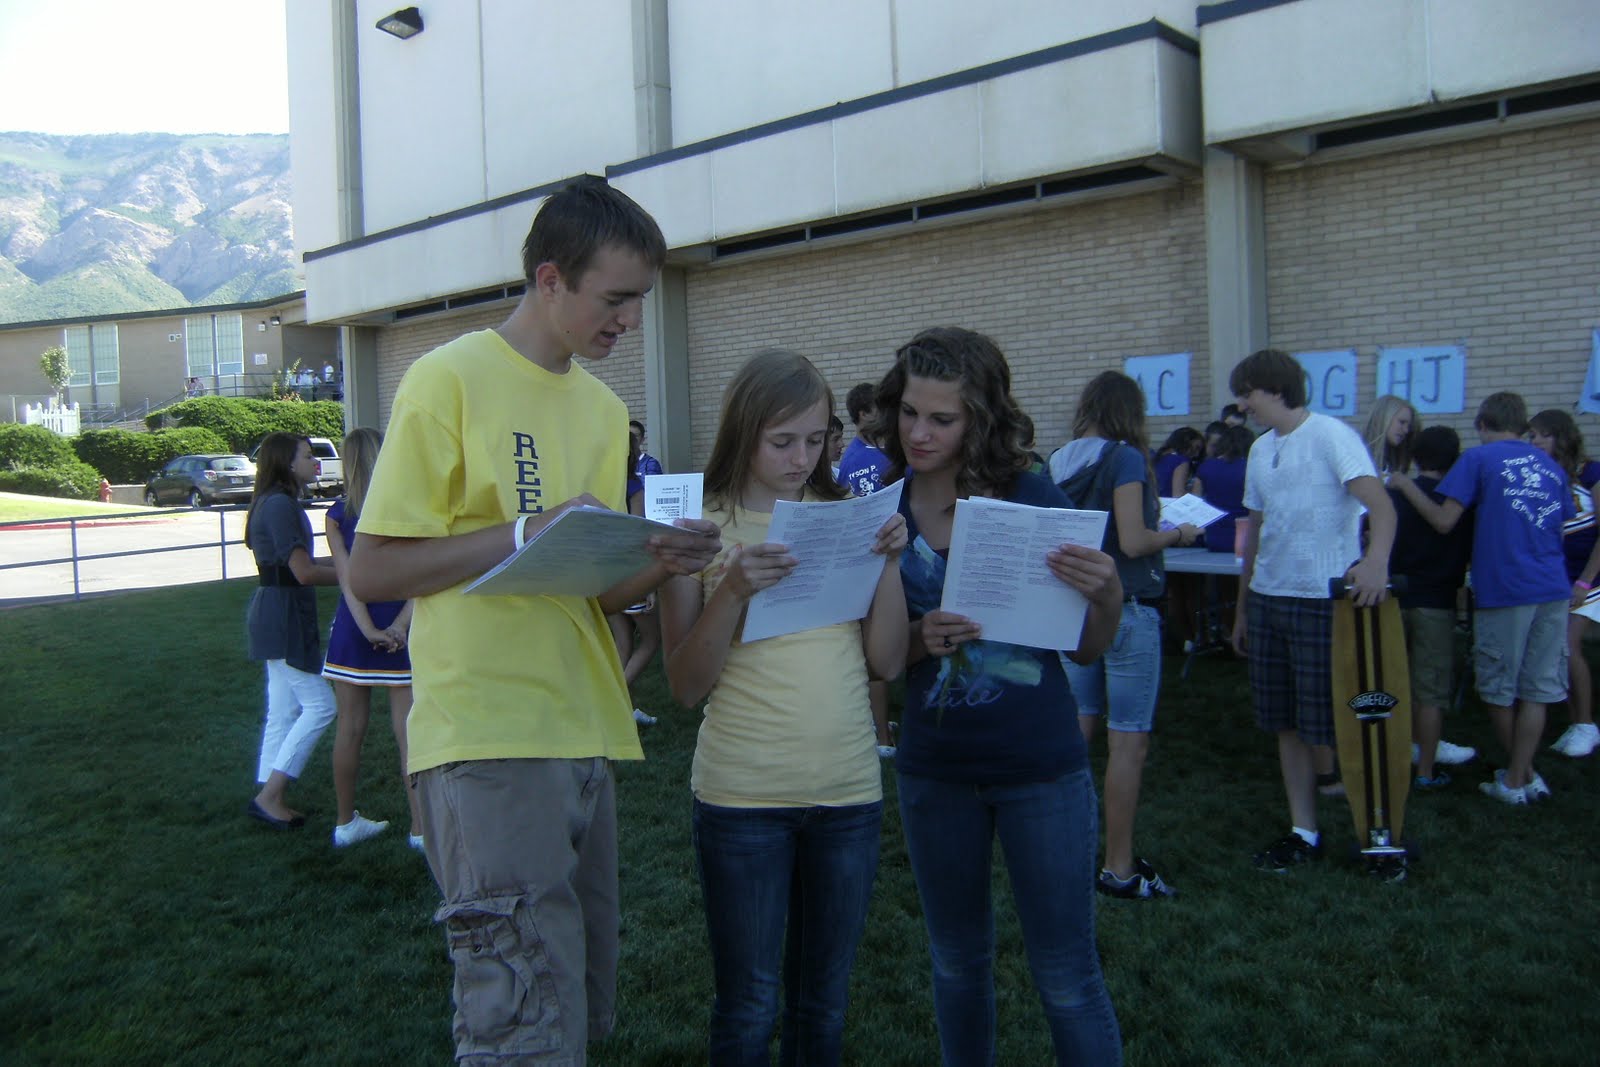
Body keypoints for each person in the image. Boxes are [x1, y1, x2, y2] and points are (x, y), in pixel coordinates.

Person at [347, 177, 722, 1063]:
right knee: (518, 1020)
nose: (629, 320)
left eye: (639, 299)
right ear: (551, 279)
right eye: (616, 297)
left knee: (579, 1008)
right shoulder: (447, 379)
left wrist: (655, 561)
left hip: (583, 733)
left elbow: (581, 590)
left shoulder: (599, 410)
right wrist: (522, 526)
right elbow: (373, 566)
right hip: (485, 737)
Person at [876, 326, 1123, 1063]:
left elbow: (1086, 644)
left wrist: (1106, 591)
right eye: (909, 412)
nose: (919, 433)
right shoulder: (886, 506)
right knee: (956, 962)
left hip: (1039, 768)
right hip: (935, 769)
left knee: (1067, 975)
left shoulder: (1028, 491)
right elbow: (882, 660)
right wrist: (925, 637)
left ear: (979, 417)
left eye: (941, 419)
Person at [659, 349, 907, 1066]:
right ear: (743, 431)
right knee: (748, 1004)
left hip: (849, 789)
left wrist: (888, 560)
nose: (803, 457)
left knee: (822, 1004)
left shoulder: (845, 514)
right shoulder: (700, 524)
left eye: (817, 436)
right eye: (782, 440)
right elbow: (683, 685)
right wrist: (732, 590)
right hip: (744, 794)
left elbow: (887, 661)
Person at [1227, 349, 1396, 874]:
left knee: (1346, 722)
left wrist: (1374, 563)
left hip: (1323, 600)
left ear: (1273, 388)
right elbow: (1255, 533)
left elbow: (1382, 507)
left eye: (1247, 392)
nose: (1242, 404)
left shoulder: (1331, 435)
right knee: (1286, 724)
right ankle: (1304, 831)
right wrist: (1242, 610)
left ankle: (1376, 834)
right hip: (1270, 599)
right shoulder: (1258, 450)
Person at [1049, 371, 1199, 900]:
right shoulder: (1127, 458)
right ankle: (1118, 867)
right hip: (1127, 606)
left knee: (1073, 737)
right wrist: (1180, 533)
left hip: (1073, 611)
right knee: (1128, 741)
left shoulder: (1060, 458)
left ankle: (1058, 850)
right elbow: (1134, 541)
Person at [1390, 393, 1571, 804]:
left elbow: (1443, 520)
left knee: (1498, 688)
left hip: (1507, 588)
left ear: (1483, 425)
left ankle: (1517, 779)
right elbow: (1557, 528)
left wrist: (1402, 484)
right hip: (1553, 586)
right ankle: (1522, 775)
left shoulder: (1479, 458)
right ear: (1523, 426)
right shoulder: (1550, 466)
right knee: (1537, 690)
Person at [321, 427, 420, 849]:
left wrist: (368, 631)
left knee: (350, 728)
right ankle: (420, 830)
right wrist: (397, 626)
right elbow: (424, 575)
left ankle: (345, 823)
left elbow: (348, 582)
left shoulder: (336, 515)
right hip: (402, 628)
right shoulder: (409, 509)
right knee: (410, 732)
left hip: (353, 630)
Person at [245, 432, 339, 829]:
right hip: (282, 617)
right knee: (322, 705)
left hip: (271, 612)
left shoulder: (270, 502)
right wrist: (356, 578)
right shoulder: (281, 506)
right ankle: (271, 795)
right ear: (286, 463)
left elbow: (299, 563)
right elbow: (303, 572)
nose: (314, 462)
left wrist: (346, 566)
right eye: (306, 455)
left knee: (282, 709)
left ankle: (267, 790)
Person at [1386, 426, 1474, 789]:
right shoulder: (1461, 500)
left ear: (1416, 455)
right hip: (1437, 603)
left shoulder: (1393, 494)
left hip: (1393, 598)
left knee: (1392, 683)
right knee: (1431, 691)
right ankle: (1425, 771)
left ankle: (1390, 757)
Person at [1529, 408, 1600, 757]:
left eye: (1544, 434)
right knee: (1559, 647)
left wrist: (1585, 583)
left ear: (1563, 435)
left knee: (1569, 643)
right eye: (1533, 436)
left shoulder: (1591, 472)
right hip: (1560, 575)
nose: (1537, 441)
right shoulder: (1541, 475)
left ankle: (1586, 724)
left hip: (1592, 574)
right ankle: (1575, 721)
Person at [838, 379, 897, 755]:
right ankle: (881, 736)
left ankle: (879, 719)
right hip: (870, 565)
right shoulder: (856, 461)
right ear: (863, 415)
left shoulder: (886, 450)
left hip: (897, 557)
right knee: (874, 650)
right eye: (880, 409)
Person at [610, 429, 662, 726]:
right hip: (628, 572)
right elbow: (637, 533)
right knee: (652, 638)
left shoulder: (600, 484)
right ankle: (615, 701)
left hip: (602, 572)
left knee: (622, 640)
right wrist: (649, 583)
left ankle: (618, 704)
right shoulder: (633, 487)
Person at [1192, 424, 1253, 554]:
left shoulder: (1205, 467)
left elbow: (1194, 503)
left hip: (1214, 535)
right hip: (1245, 536)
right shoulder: (1251, 468)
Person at [838, 381, 890, 497]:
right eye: (882, 408)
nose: (888, 413)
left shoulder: (901, 447)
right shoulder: (852, 464)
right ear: (864, 414)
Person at [1364, 394, 1417, 478]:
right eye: (1402, 422)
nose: (1406, 431)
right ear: (1384, 418)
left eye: (1409, 426)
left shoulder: (1392, 462)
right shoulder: (1359, 457)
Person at [1153, 426, 1205, 498]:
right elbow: (1178, 496)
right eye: (1196, 447)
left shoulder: (1158, 457)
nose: (1197, 454)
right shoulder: (1181, 461)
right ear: (1187, 440)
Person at [827, 413, 845, 478]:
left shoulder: (839, 476)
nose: (842, 444)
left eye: (841, 438)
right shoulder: (803, 481)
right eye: (835, 439)